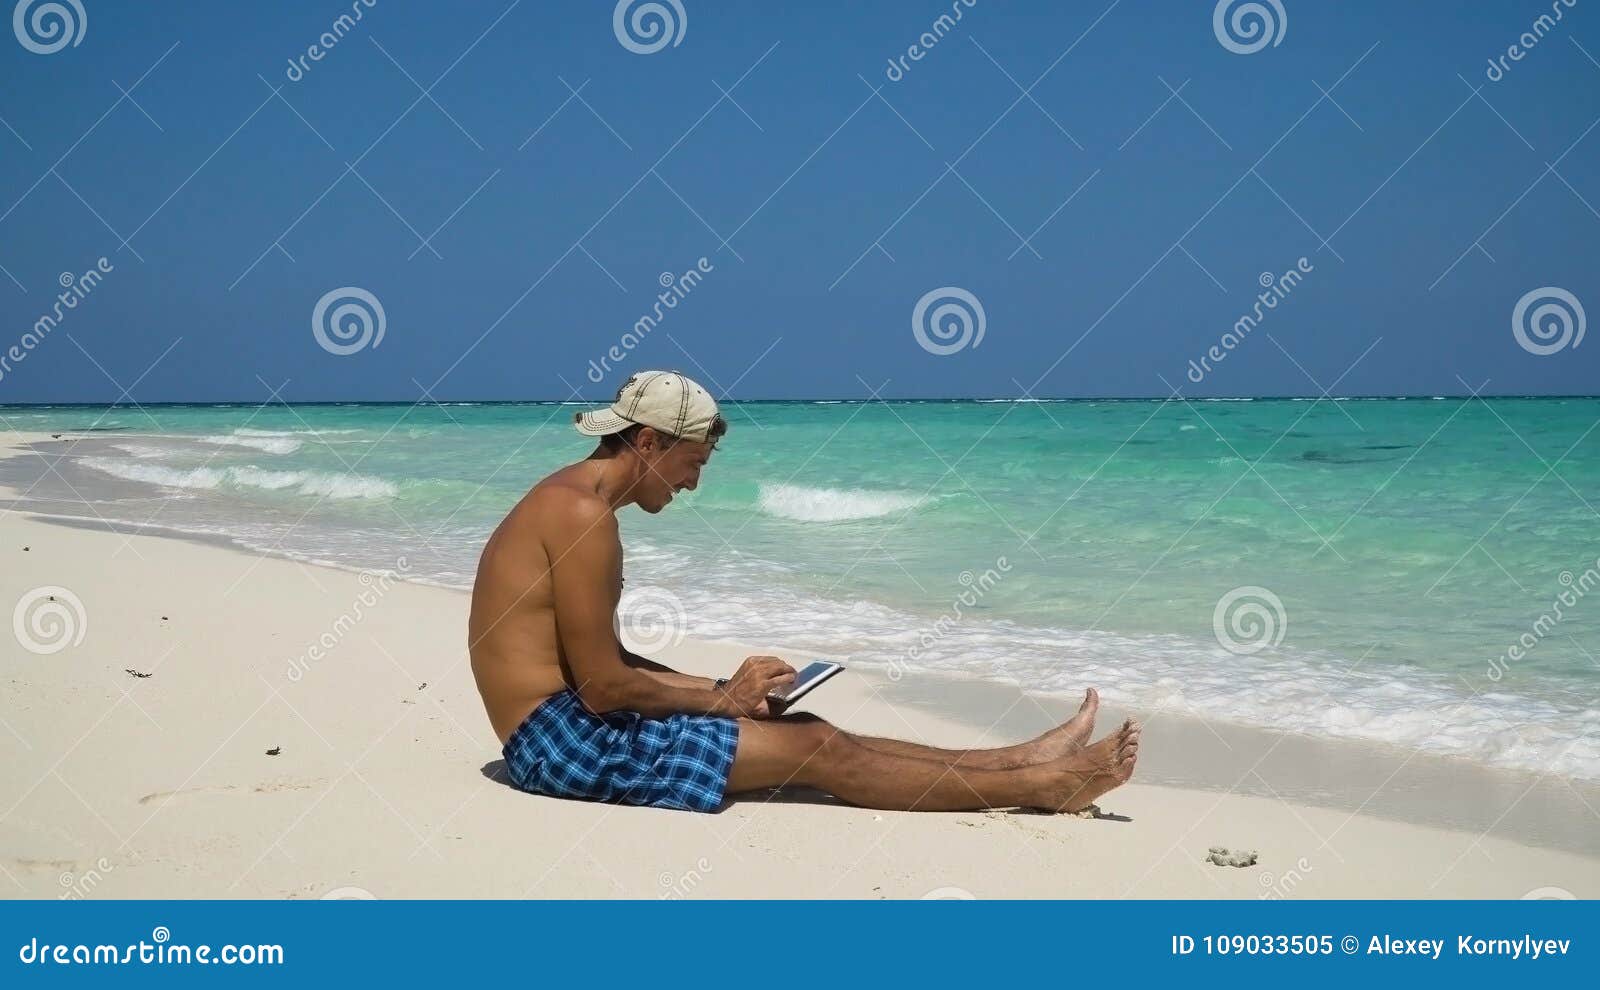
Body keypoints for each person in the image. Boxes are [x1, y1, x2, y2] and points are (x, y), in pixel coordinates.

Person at [469, 370, 1139, 813]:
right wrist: (720, 698)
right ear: (647, 442)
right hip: (559, 745)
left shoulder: (574, 502)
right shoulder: (582, 517)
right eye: (691, 463)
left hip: (564, 723)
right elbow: (602, 688)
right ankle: (1044, 786)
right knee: (816, 750)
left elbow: (603, 666)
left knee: (806, 729)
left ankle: (1019, 759)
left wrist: (723, 694)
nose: (692, 483)